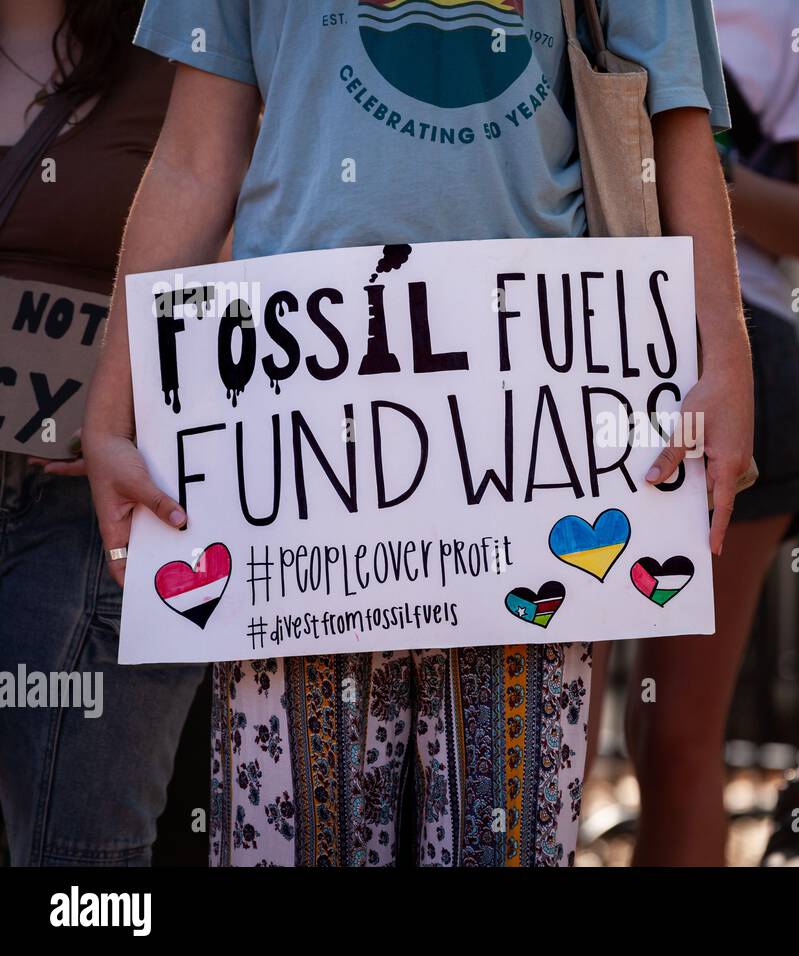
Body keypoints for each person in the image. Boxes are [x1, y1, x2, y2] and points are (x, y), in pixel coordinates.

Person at [82, 0, 750, 868]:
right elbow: (194, 160)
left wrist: (727, 359)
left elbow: (677, 123)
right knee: (293, 848)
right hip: (293, 451)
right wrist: (110, 409)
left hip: (540, 443)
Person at [623, 0, 799, 866]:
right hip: (563, 335)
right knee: (550, 718)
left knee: (675, 734)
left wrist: (698, 174)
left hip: (739, 343)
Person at [0, 0, 206, 866]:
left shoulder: (189, 49)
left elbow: (255, 249)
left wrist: (132, 397)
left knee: (81, 867)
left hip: (89, 516)